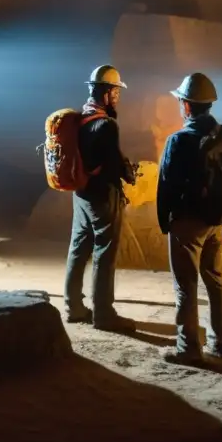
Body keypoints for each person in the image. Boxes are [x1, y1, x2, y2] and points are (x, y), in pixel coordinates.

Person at [157, 72, 222, 364]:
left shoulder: (178, 140)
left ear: (187, 106)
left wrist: (166, 221)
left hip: (187, 223)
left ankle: (189, 348)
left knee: (186, 285)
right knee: (215, 279)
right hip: (217, 221)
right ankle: (221, 343)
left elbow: (166, 184)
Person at [63, 65, 137, 333]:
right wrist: (129, 173)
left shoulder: (81, 118)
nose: (118, 95)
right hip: (103, 197)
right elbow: (112, 164)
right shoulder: (106, 124)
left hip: (81, 195)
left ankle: (73, 307)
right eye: (116, 91)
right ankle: (104, 314)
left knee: (78, 250)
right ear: (105, 92)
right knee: (104, 255)